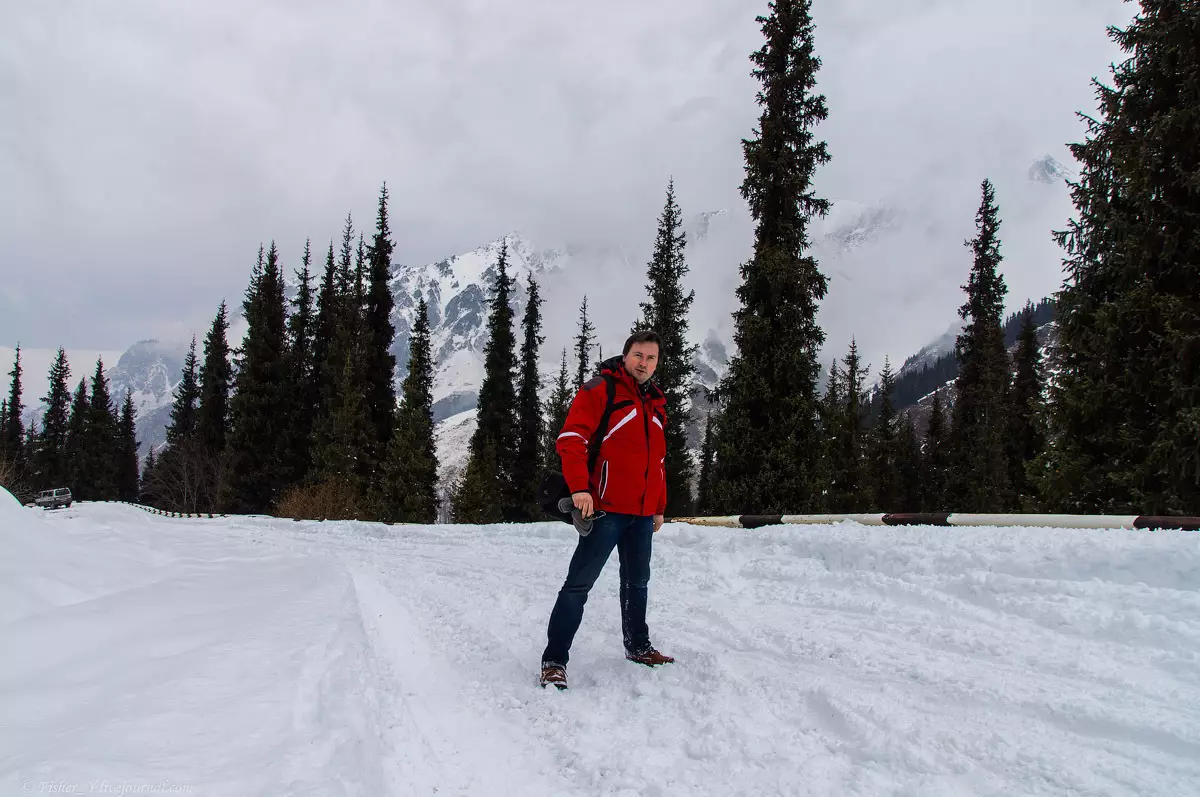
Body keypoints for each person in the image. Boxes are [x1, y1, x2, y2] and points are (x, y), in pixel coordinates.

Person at [539, 330, 675, 690]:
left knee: (637, 582)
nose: (643, 364)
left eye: (651, 359)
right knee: (578, 585)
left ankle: (638, 645)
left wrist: (659, 506)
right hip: (606, 511)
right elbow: (572, 439)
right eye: (638, 356)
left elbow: (658, 460)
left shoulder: (657, 401)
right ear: (625, 355)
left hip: (643, 515)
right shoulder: (602, 389)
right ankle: (554, 660)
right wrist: (581, 488)